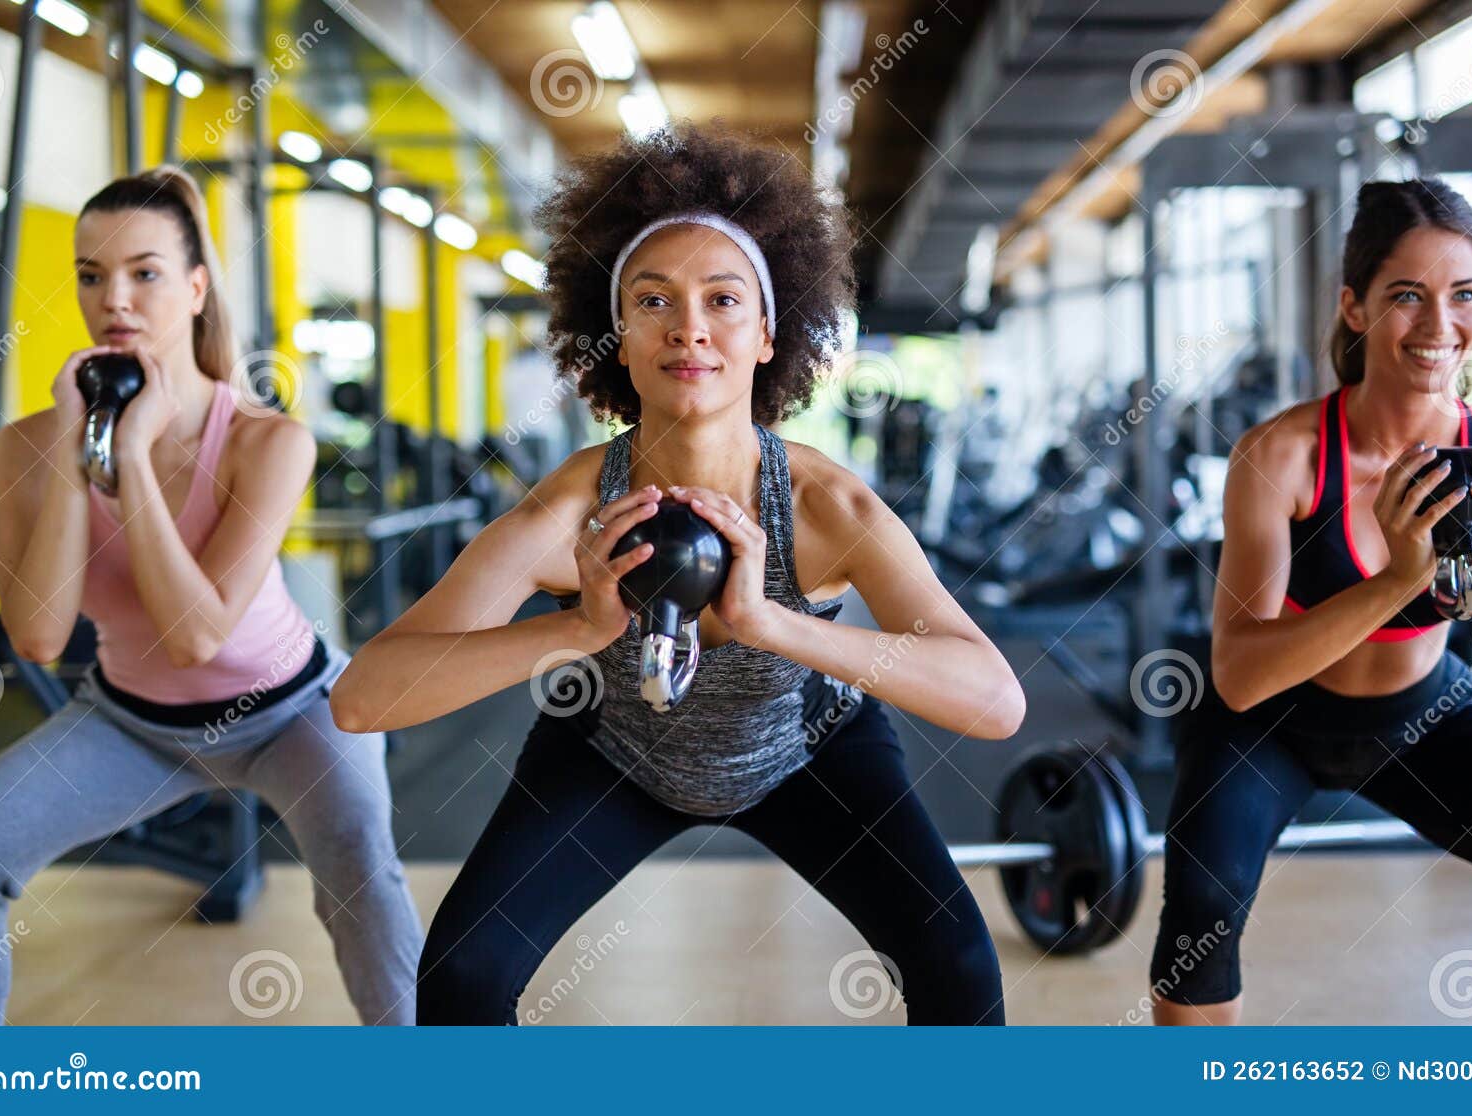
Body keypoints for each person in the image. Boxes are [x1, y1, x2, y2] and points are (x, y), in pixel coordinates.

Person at [332, 124, 1026, 1026]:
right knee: (463, 975)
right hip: (611, 750)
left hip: (805, 752)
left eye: (723, 300)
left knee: (959, 968)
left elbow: (996, 701)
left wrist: (774, 624)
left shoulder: (825, 507)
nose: (689, 327)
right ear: (618, 339)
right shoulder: (571, 510)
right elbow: (362, 700)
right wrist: (576, 630)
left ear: (771, 332)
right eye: (653, 302)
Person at [0, 167, 423, 1025]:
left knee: (361, 873)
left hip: (296, 711)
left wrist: (138, 459)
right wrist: (85, 453)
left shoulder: (268, 441)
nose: (113, 297)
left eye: (144, 272)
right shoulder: (23, 449)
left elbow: (197, 638)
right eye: (90, 273)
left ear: (195, 288)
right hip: (132, 724)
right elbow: (38, 639)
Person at [1149, 178, 1472, 1024]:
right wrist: (1394, 583)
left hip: (1427, 719)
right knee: (1202, 910)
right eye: (1405, 297)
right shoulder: (1279, 455)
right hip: (1271, 725)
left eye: (1462, 295)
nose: (1436, 326)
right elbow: (1239, 676)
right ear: (1354, 308)